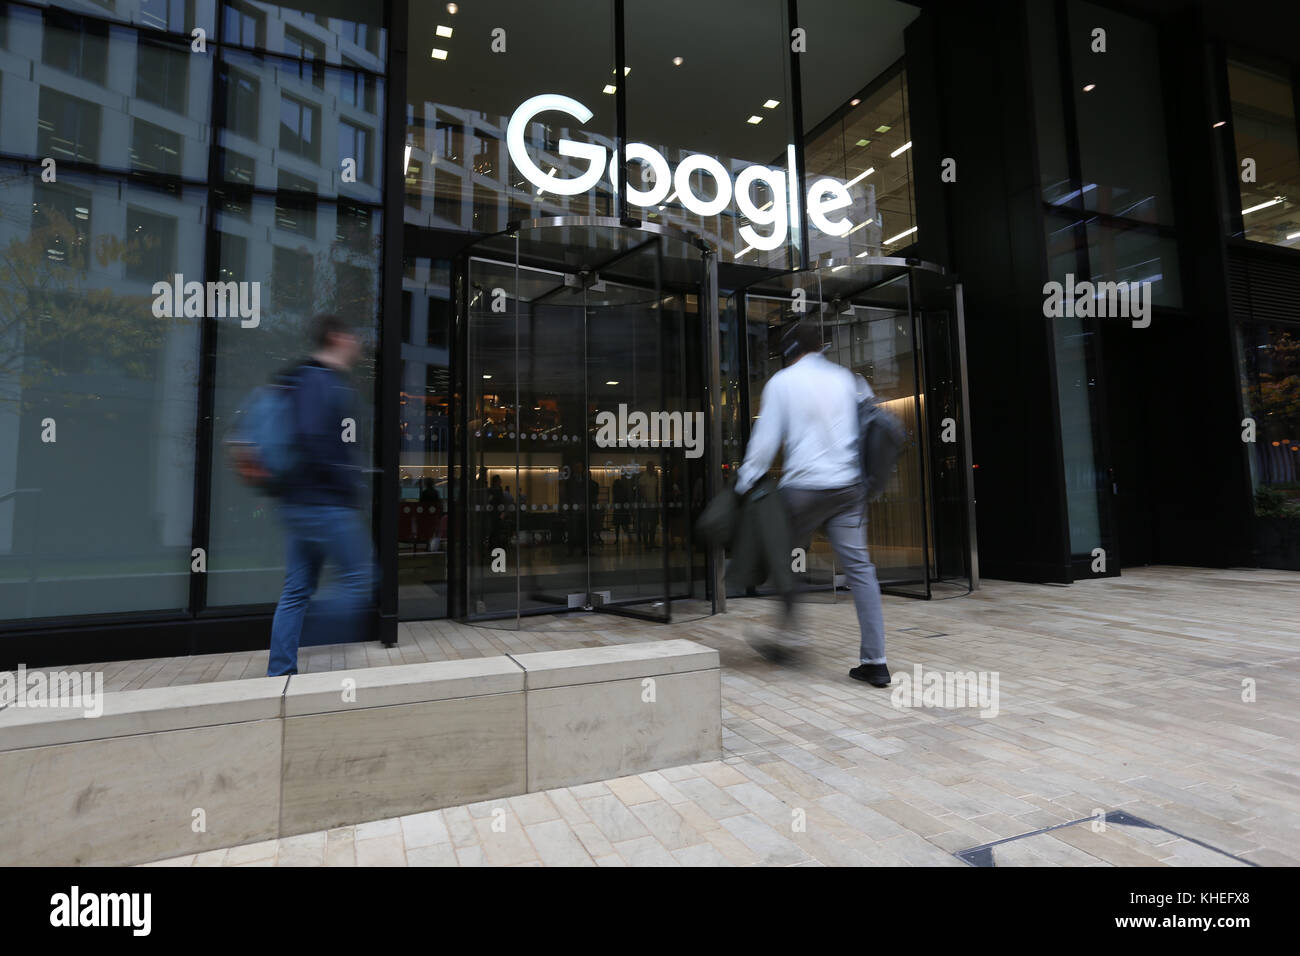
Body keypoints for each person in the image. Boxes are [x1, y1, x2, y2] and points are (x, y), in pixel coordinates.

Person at [733, 321, 890, 687]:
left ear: (789, 351)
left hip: (802, 491)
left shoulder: (782, 383)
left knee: (781, 556)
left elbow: (764, 443)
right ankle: (876, 661)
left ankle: (792, 638)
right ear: (819, 347)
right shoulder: (847, 379)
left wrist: (743, 484)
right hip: (848, 489)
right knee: (860, 570)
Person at [268, 313, 375, 677]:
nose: (357, 342)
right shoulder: (319, 380)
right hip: (324, 503)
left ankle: (280, 673)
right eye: (352, 335)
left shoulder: (304, 378)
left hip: (298, 503)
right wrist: (346, 482)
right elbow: (313, 439)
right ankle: (317, 637)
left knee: (297, 589)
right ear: (336, 337)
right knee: (359, 579)